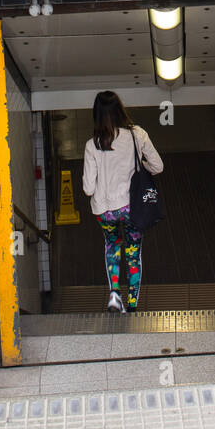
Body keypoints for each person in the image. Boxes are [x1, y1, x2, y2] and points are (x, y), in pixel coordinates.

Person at [82, 91, 163, 313]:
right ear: (120, 109)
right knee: (133, 252)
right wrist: (138, 166)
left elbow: (88, 188)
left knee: (112, 244)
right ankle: (133, 305)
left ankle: (114, 294)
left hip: (104, 210)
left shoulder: (92, 145)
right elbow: (158, 166)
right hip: (132, 208)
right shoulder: (138, 135)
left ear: (96, 115)